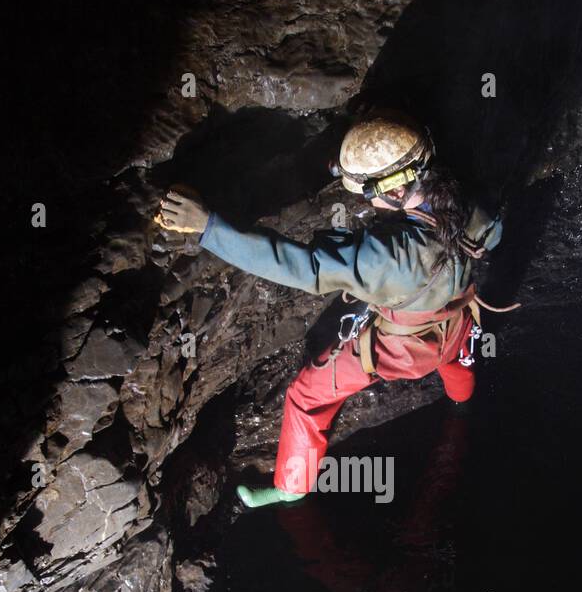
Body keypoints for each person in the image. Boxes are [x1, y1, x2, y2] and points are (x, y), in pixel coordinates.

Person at [157, 112, 504, 508]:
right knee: (458, 358)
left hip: (404, 352)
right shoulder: (470, 204)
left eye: (365, 193)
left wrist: (208, 227)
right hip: (456, 323)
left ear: (393, 191)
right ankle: (462, 401)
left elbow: (303, 265)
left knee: (307, 395)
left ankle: (292, 484)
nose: (363, 200)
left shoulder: (388, 259)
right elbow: (493, 233)